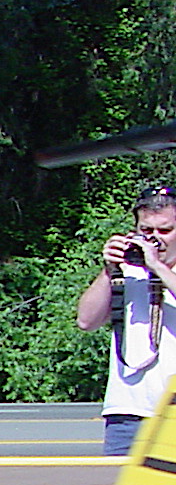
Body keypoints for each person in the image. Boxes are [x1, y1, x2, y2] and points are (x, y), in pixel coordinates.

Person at [76, 184, 176, 455]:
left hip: (173, 415)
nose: (155, 239)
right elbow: (86, 321)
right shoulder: (127, 272)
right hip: (127, 414)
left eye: (165, 231)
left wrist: (157, 266)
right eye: (147, 231)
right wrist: (110, 270)